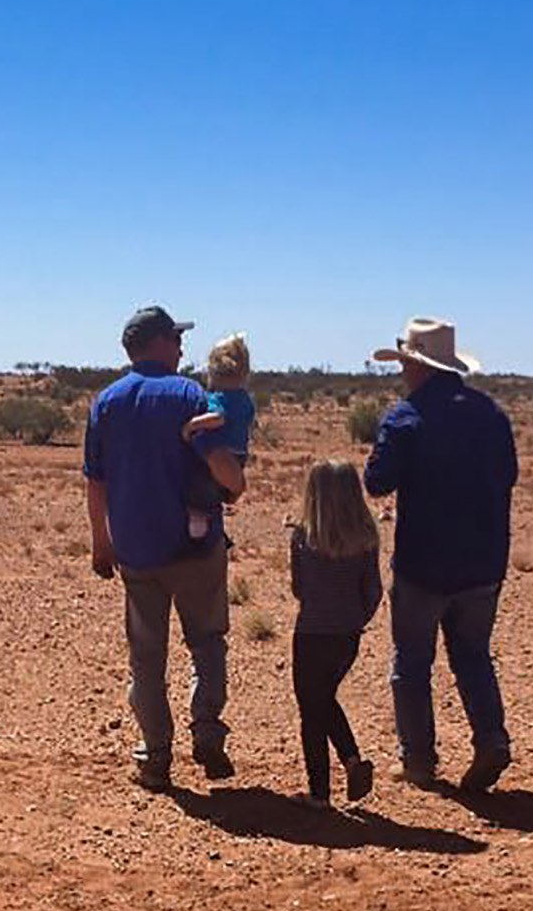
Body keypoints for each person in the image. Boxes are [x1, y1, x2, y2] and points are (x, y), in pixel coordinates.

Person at [84, 306, 248, 791]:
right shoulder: (188, 395)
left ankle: (155, 755)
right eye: (174, 339)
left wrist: (101, 542)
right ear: (156, 342)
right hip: (196, 548)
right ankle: (207, 730)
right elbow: (221, 465)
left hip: (136, 551)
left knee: (146, 656)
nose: (180, 347)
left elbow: (96, 482)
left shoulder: (107, 402)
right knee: (207, 642)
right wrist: (235, 485)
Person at [362, 317, 519, 793]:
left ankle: (418, 760)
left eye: (406, 363)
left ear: (416, 364)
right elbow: (508, 475)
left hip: (423, 564)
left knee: (411, 661)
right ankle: (490, 738)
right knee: (472, 656)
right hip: (484, 561)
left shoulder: (405, 417)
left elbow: (376, 482)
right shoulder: (491, 413)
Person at [287, 460, 384, 808]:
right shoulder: (366, 537)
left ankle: (320, 793)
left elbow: (298, 587)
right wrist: (355, 619)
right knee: (323, 700)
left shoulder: (303, 537)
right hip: (347, 637)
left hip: (311, 632)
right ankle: (352, 762)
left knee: (312, 709)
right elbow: (373, 592)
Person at [181, 333, 256, 548]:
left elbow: (218, 418)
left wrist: (192, 425)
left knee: (199, 485)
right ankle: (216, 533)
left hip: (221, 454)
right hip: (239, 455)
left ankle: (198, 523)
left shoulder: (219, 398)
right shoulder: (245, 399)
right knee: (221, 492)